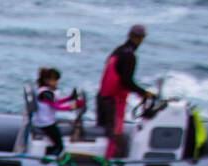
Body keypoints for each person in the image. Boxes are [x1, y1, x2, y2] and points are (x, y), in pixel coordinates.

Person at [96, 25, 152, 159]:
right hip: (113, 101)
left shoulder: (117, 51)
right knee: (115, 136)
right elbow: (126, 82)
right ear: (141, 39)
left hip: (102, 97)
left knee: (104, 131)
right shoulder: (129, 56)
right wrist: (144, 93)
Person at [33, 68, 83, 156]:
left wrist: (69, 98)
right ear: (46, 80)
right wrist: (71, 107)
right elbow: (56, 107)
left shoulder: (45, 91)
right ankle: (50, 159)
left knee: (56, 144)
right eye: (54, 80)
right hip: (46, 124)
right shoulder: (45, 93)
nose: (56, 82)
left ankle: (48, 153)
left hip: (45, 121)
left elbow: (56, 102)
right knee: (59, 146)